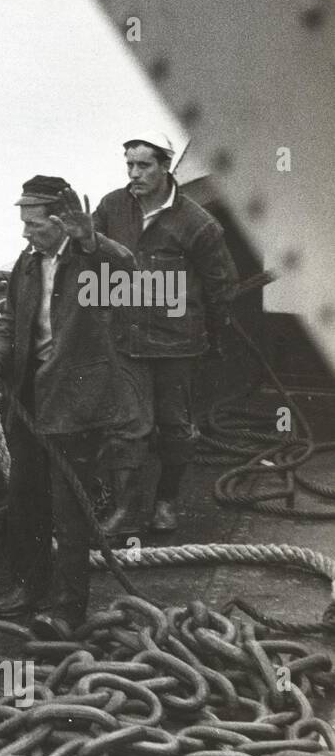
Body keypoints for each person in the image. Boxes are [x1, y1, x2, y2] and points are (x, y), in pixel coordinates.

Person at [0, 175, 143, 635]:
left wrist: (91, 239)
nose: (25, 233)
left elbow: (127, 271)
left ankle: (67, 609)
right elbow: (10, 319)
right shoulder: (28, 263)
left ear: (62, 222)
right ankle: (28, 586)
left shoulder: (90, 262)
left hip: (76, 403)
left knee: (70, 511)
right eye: (23, 223)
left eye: (33, 223)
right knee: (25, 496)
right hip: (30, 398)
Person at [93, 131, 237, 535]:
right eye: (129, 165)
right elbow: (87, 257)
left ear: (165, 166)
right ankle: (125, 509)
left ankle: (166, 502)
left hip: (177, 345)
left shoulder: (197, 225)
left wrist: (209, 338)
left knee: (175, 429)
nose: (134, 174)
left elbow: (220, 286)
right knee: (129, 428)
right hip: (126, 342)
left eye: (143, 165)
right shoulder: (111, 208)